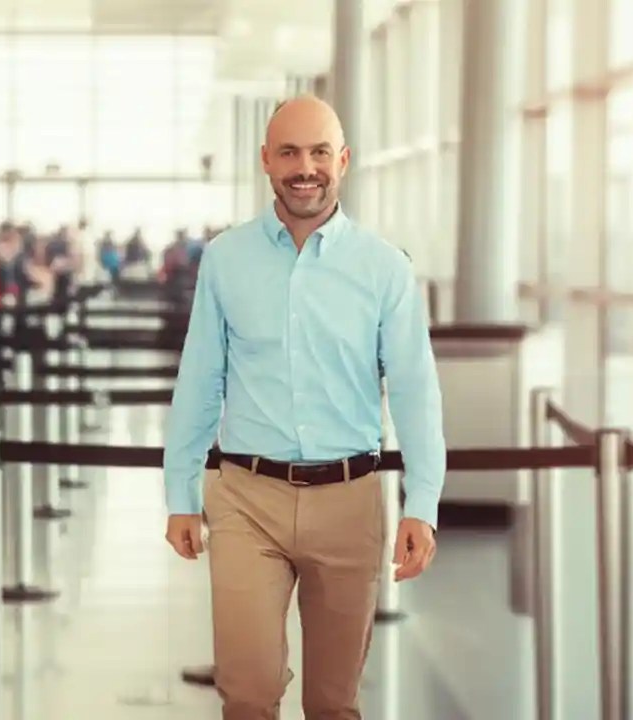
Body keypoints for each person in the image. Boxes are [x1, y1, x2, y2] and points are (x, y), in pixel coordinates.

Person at [162, 95, 447, 720]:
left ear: (342, 160)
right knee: (247, 693)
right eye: (289, 151)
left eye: (320, 151)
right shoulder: (226, 259)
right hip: (244, 498)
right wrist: (180, 493)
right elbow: (200, 378)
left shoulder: (384, 268)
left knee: (332, 703)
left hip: (349, 500)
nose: (305, 166)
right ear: (266, 160)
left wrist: (421, 504)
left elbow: (414, 389)